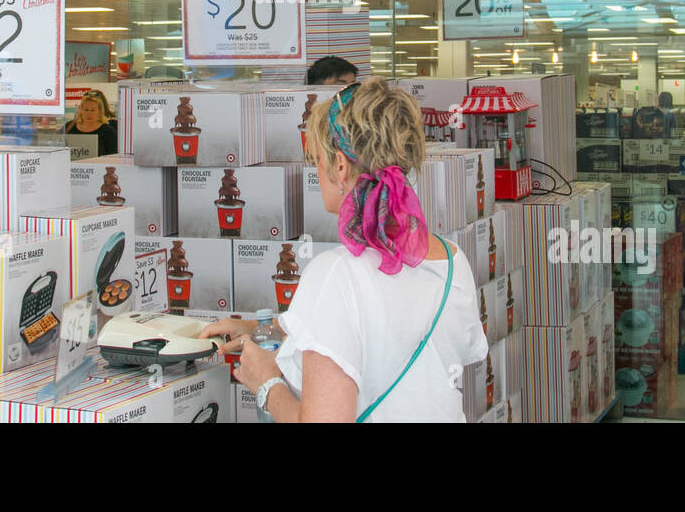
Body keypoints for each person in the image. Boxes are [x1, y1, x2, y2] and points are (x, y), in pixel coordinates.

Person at [201, 78, 487, 421]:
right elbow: (391, 325)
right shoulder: (453, 260)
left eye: (317, 159)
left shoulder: (335, 274)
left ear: (339, 165)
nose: (316, 171)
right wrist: (258, 329)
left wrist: (266, 382)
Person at [64, 88, 117, 155]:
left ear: (100, 111)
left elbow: (113, 156)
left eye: (93, 110)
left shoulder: (108, 132)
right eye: (86, 110)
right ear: (80, 109)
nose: (89, 113)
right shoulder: (69, 126)